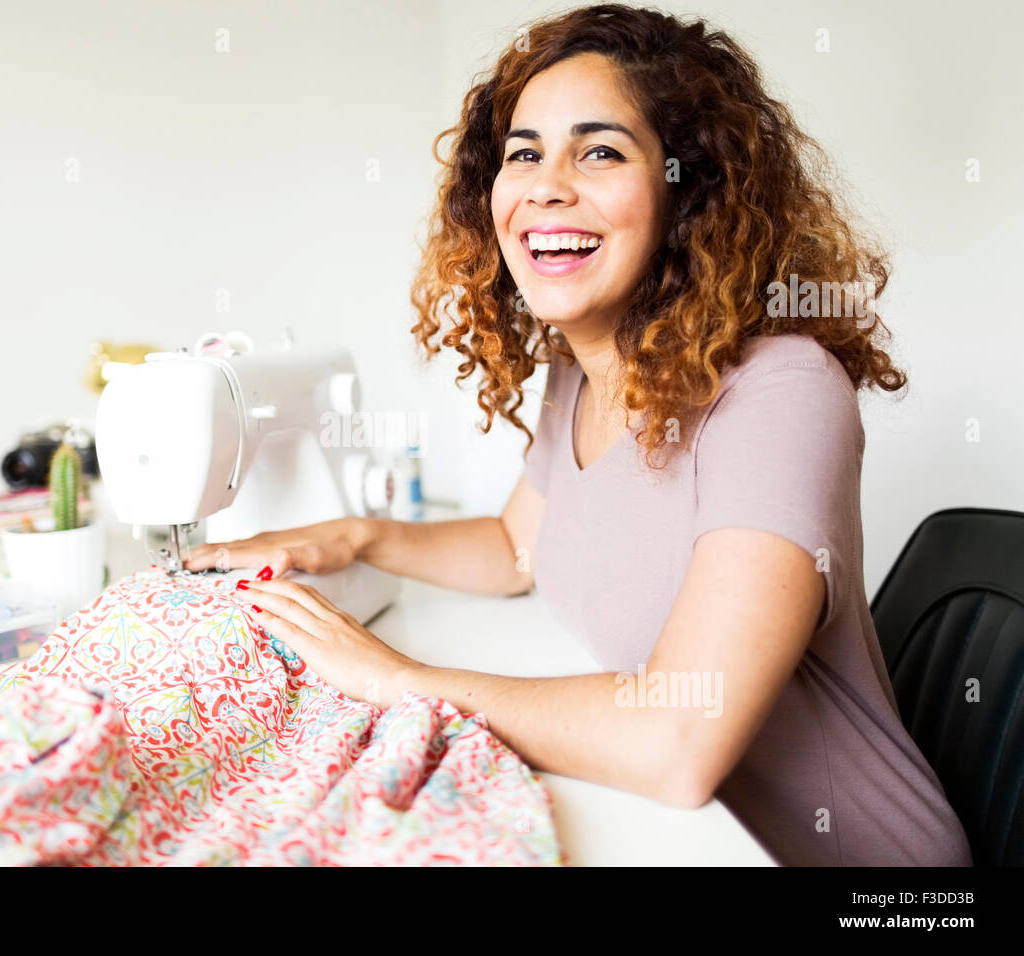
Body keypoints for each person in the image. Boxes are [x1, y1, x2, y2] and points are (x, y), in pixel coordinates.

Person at [182, 4, 972, 867]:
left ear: (689, 187)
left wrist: (397, 681)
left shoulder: (781, 389)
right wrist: (349, 537)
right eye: (525, 153)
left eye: (599, 151)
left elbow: (676, 741)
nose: (546, 186)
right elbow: (516, 548)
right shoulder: (579, 371)